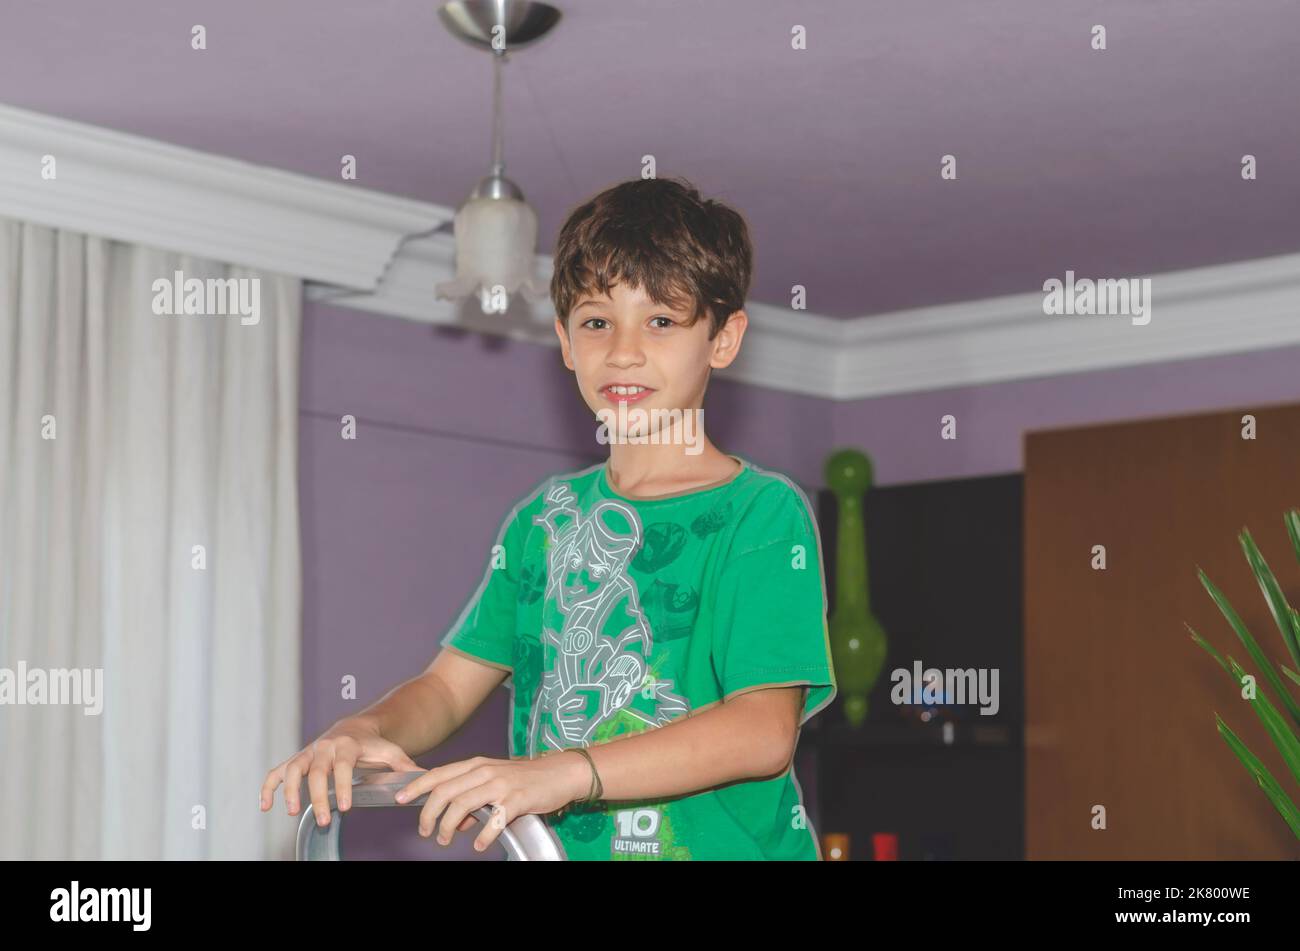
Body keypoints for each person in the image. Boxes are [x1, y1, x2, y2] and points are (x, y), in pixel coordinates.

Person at [260, 176, 837, 860]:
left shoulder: (760, 515)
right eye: (597, 322)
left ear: (723, 337)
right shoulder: (544, 519)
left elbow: (762, 732)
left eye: (660, 320)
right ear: (564, 340)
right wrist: (362, 729)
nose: (623, 351)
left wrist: (564, 773)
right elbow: (446, 688)